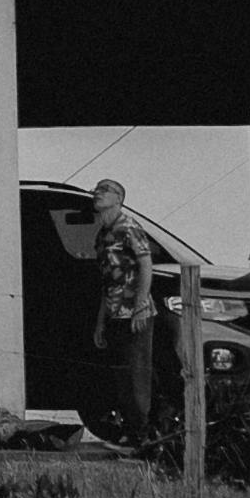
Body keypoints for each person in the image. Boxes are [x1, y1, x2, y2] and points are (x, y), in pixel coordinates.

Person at [88, 183, 160, 454]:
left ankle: (141, 438)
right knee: (121, 376)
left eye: (105, 190)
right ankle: (130, 434)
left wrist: (141, 304)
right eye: (96, 189)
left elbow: (145, 264)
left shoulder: (128, 227)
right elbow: (107, 282)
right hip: (114, 312)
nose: (97, 193)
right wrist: (100, 322)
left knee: (137, 374)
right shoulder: (102, 234)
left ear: (119, 199)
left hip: (134, 313)